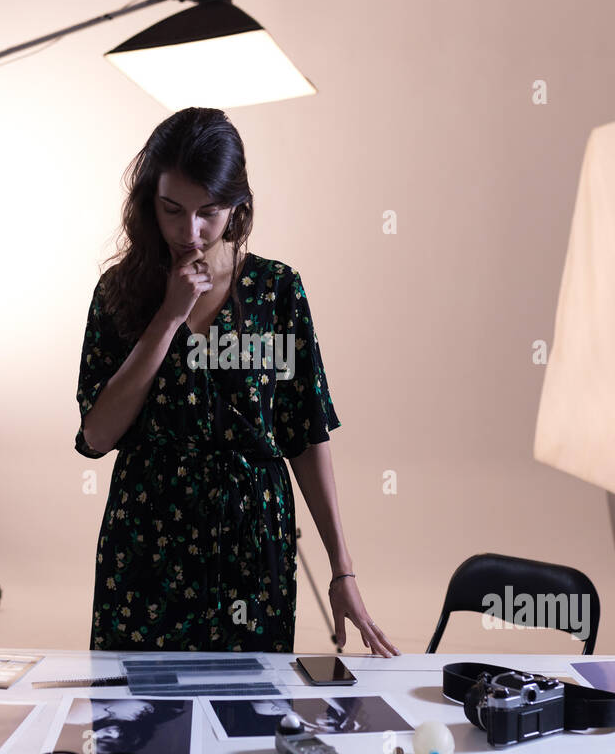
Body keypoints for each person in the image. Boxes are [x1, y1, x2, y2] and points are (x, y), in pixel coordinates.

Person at [74, 107, 398, 657]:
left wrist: (344, 572)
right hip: (148, 546)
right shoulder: (119, 291)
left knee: (250, 718)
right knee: (135, 722)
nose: (189, 231)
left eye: (210, 212)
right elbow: (97, 437)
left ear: (237, 205)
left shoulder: (278, 290)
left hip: (253, 548)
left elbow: (305, 432)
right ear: (149, 199)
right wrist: (169, 317)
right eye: (172, 209)